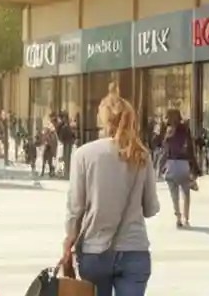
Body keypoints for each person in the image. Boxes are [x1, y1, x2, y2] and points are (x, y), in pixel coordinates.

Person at [64, 94, 160, 296]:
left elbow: (75, 208)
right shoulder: (141, 154)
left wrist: (69, 240)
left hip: (94, 252)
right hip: (135, 251)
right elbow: (151, 208)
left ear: (102, 119)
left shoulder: (83, 154)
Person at [161, 110, 199, 228]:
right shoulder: (185, 130)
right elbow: (190, 150)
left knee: (174, 194)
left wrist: (161, 166)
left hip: (171, 164)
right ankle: (186, 218)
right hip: (184, 164)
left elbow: (164, 151)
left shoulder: (168, 131)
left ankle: (178, 218)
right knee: (186, 193)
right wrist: (195, 168)